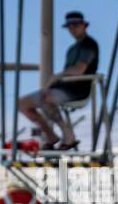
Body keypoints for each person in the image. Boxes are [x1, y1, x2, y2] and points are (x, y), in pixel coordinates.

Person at [16, 11, 99, 151]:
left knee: (47, 98)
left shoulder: (89, 45)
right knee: (22, 104)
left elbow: (79, 70)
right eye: (70, 26)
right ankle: (51, 136)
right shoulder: (72, 49)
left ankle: (68, 135)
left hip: (77, 91)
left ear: (84, 26)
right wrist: (52, 83)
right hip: (62, 88)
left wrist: (58, 76)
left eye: (76, 25)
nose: (73, 29)